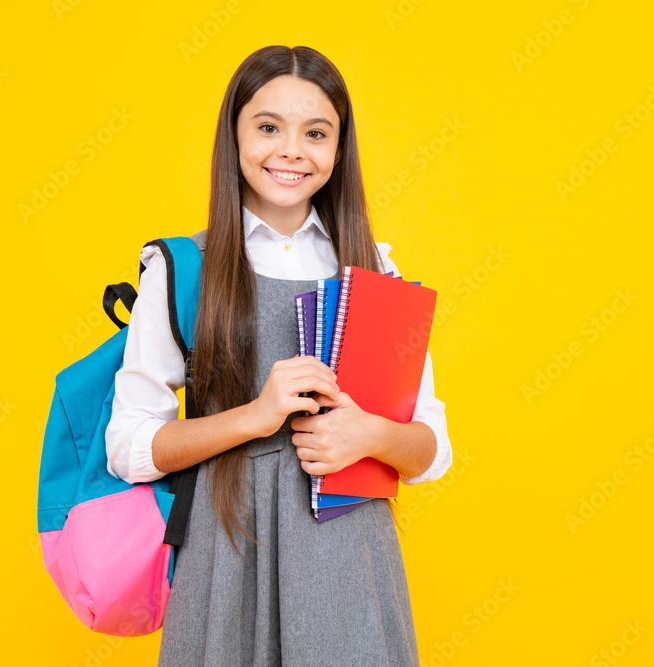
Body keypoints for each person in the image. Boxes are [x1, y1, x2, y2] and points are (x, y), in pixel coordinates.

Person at [104, 44, 453, 666]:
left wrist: (367, 434)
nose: (292, 150)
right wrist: (255, 416)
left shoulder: (376, 269)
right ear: (233, 135)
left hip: (351, 563)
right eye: (268, 127)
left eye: (316, 133)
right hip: (225, 558)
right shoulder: (181, 268)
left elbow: (430, 450)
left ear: (338, 150)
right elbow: (129, 448)